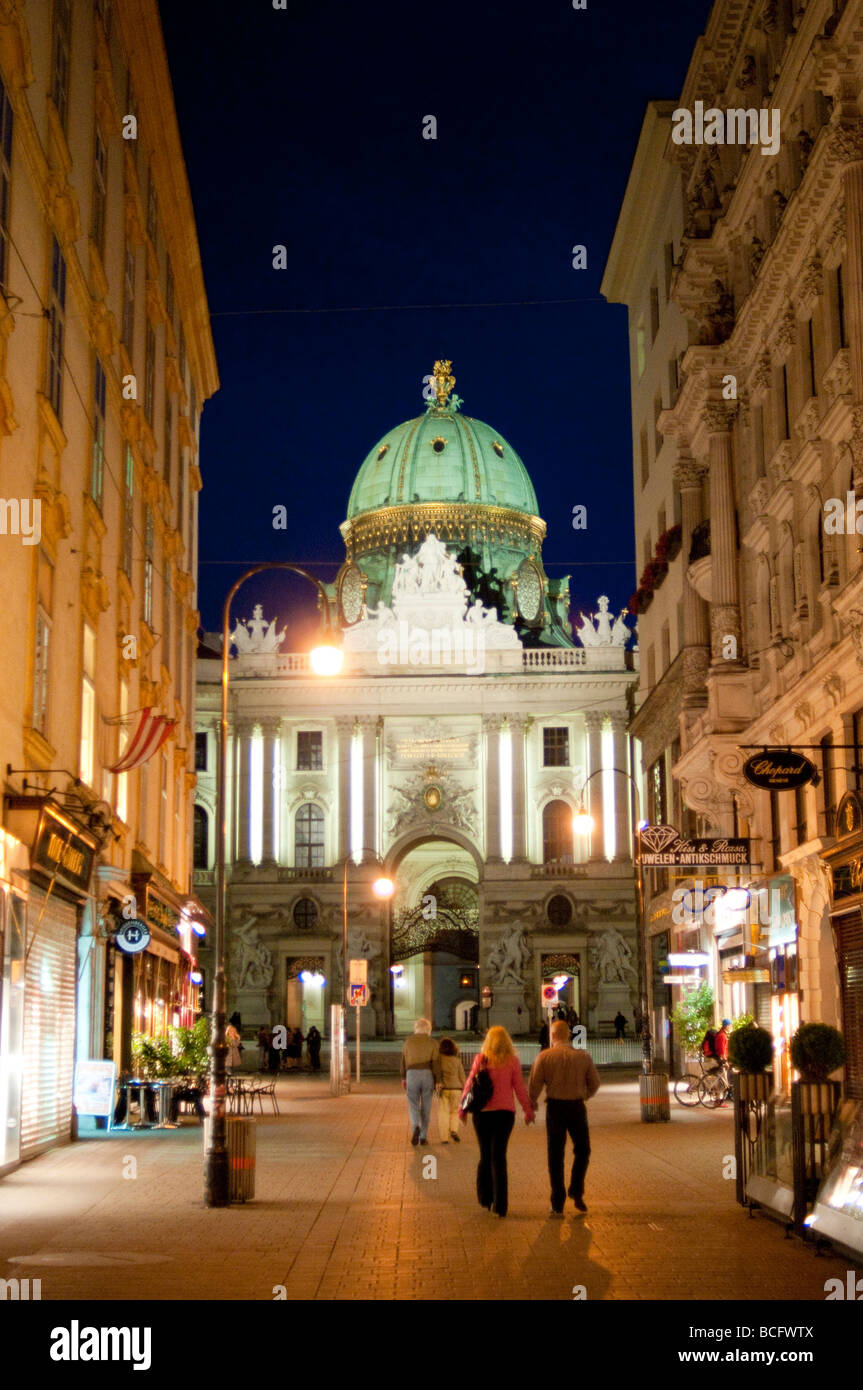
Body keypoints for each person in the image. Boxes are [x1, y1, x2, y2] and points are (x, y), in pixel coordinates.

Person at [459, 1025, 535, 1218]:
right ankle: (501, 1205)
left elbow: (470, 1084)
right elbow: (519, 1088)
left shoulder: (481, 1059)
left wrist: (462, 1109)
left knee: (485, 1155)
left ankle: (485, 1198)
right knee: (499, 1157)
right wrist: (528, 1111)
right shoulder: (512, 1061)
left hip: (482, 1114)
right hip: (505, 1114)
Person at [529, 1019, 600, 1217]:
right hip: (577, 1107)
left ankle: (557, 1202)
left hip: (555, 1107)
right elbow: (595, 1083)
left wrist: (532, 1103)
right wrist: (584, 1095)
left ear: (552, 1036)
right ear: (569, 1035)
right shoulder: (583, 1057)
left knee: (555, 1155)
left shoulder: (544, 1057)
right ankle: (576, 1190)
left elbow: (534, 1085)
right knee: (583, 1150)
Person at [400, 1018, 441, 1146]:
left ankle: (415, 1127)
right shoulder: (433, 1042)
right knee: (426, 1107)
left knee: (413, 1105)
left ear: (416, 1028)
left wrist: (403, 1077)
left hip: (411, 1074)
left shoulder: (408, 1042)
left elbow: (403, 1061)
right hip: (427, 1074)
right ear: (428, 1029)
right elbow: (436, 1063)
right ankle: (423, 1137)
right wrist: (438, 1080)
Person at [437, 1039, 466, 1143]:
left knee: (443, 1112)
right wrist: (465, 1088)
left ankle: (444, 1138)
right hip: (456, 1089)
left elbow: (436, 1074)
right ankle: (453, 1130)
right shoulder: (457, 1060)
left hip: (444, 1089)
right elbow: (462, 1076)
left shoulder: (439, 1060)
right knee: (454, 1111)